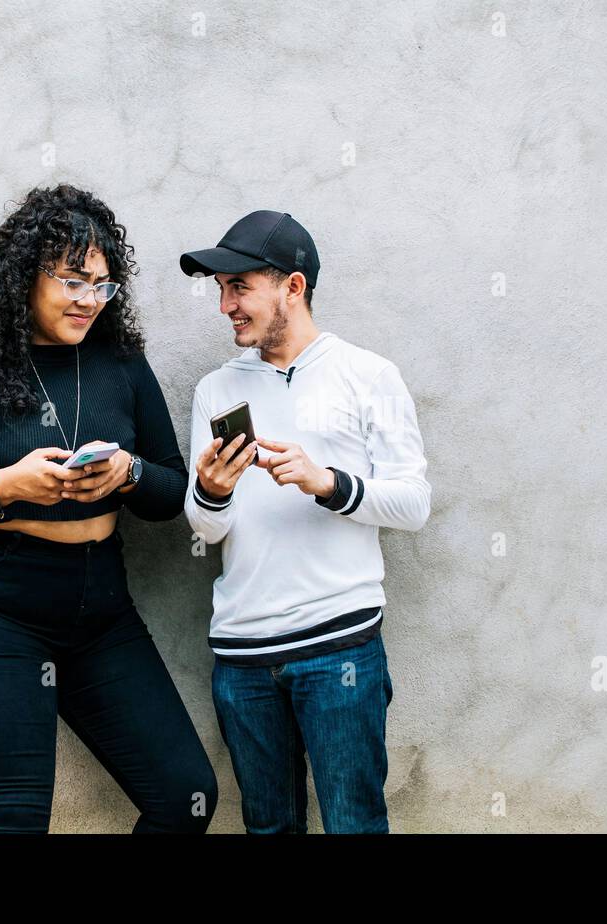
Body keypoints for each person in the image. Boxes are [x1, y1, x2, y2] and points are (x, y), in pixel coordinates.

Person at [0, 184, 217, 833]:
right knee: (12, 819)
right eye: (72, 280)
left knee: (184, 795)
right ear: (23, 277)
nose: (89, 299)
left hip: (100, 606)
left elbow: (171, 492)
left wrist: (129, 473)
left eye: (103, 285)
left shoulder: (120, 363)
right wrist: (3, 486)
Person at [180, 210, 431, 833]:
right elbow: (204, 529)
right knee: (269, 829)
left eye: (239, 287)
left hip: (338, 649)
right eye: (220, 290)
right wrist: (211, 491)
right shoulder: (216, 389)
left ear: (293, 287)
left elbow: (413, 503)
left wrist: (327, 483)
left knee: (353, 824)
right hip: (241, 656)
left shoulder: (369, 375)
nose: (225, 306)